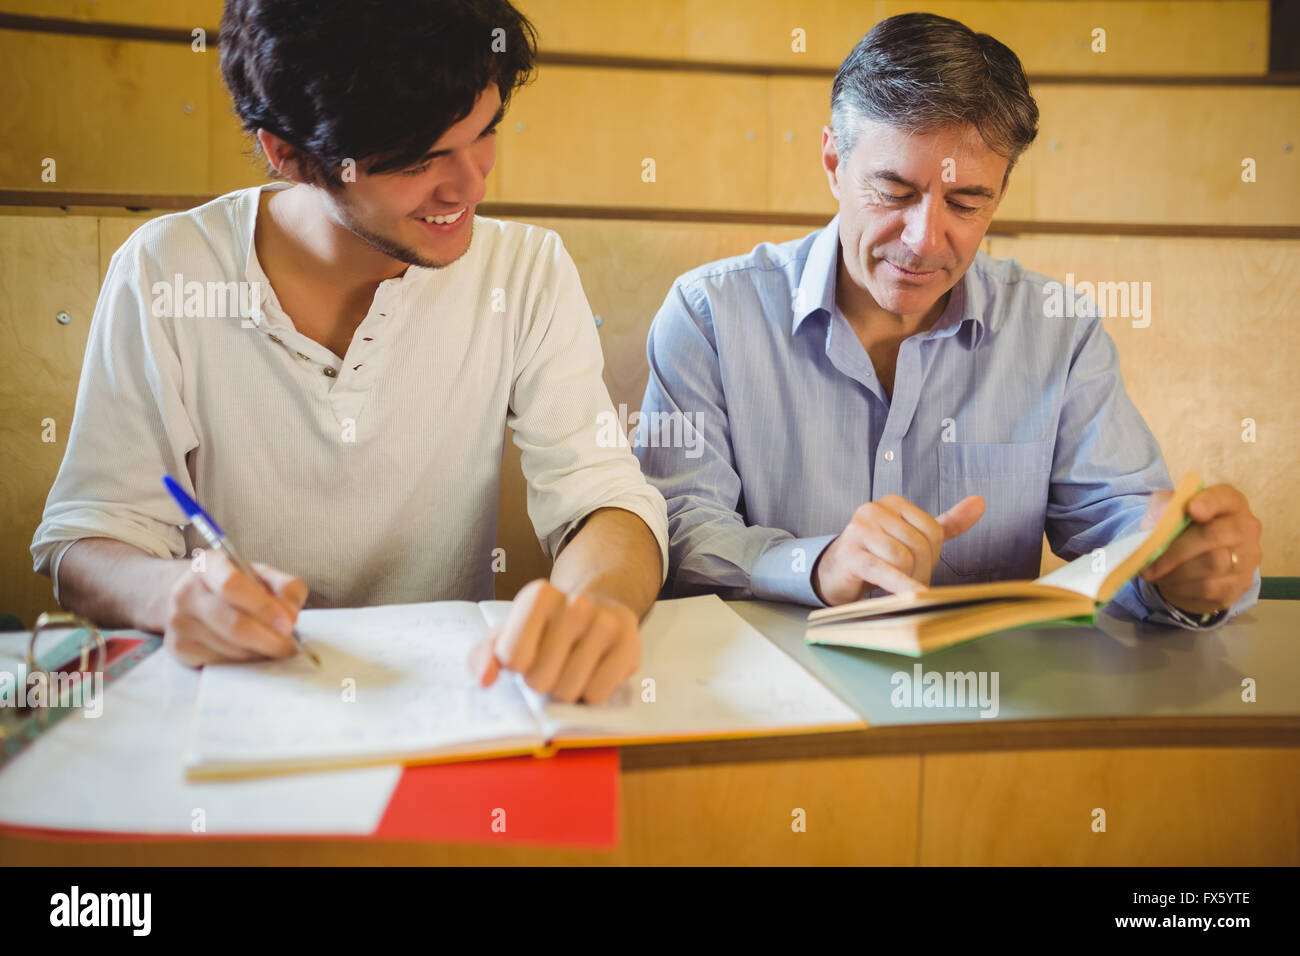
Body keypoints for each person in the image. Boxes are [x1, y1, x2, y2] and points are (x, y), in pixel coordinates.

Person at [31, 0, 667, 704]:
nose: (470, 184)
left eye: (484, 133)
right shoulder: (168, 269)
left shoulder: (526, 271)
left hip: (450, 705)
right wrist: (170, 593)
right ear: (291, 155)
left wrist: (597, 605)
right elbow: (86, 536)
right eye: (420, 159)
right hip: (233, 710)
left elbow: (604, 499)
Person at [635, 12, 1261, 627]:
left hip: (992, 710)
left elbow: (1121, 527)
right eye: (894, 191)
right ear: (833, 163)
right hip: (773, 703)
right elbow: (679, 529)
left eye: (966, 201)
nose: (924, 240)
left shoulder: (1058, 332)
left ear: (1002, 192)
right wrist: (818, 564)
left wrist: (1183, 567)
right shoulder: (709, 316)